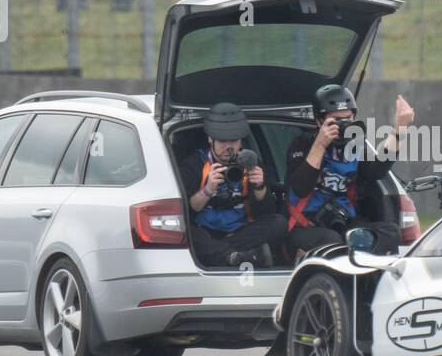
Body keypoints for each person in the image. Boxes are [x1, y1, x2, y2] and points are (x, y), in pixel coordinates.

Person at [284, 85, 415, 262]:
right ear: (319, 122)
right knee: (333, 241)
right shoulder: (302, 144)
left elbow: (377, 170)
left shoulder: (355, 146)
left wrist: (399, 130)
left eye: (348, 119)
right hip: (305, 225)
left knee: (390, 233)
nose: (343, 125)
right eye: (336, 120)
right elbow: (301, 187)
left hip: (343, 222)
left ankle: (365, 274)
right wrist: (320, 144)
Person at [177, 102, 286, 268]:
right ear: (210, 139)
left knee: (278, 223)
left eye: (234, 141)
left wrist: (259, 188)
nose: (228, 147)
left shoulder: (251, 163)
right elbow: (187, 211)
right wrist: (208, 190)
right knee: (186, 232)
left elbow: (265, 213)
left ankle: (228, 256)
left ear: (241, 141)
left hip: (240, 232)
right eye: (221, 141)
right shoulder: (193, 165)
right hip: (205, 231)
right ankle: (236, 256)